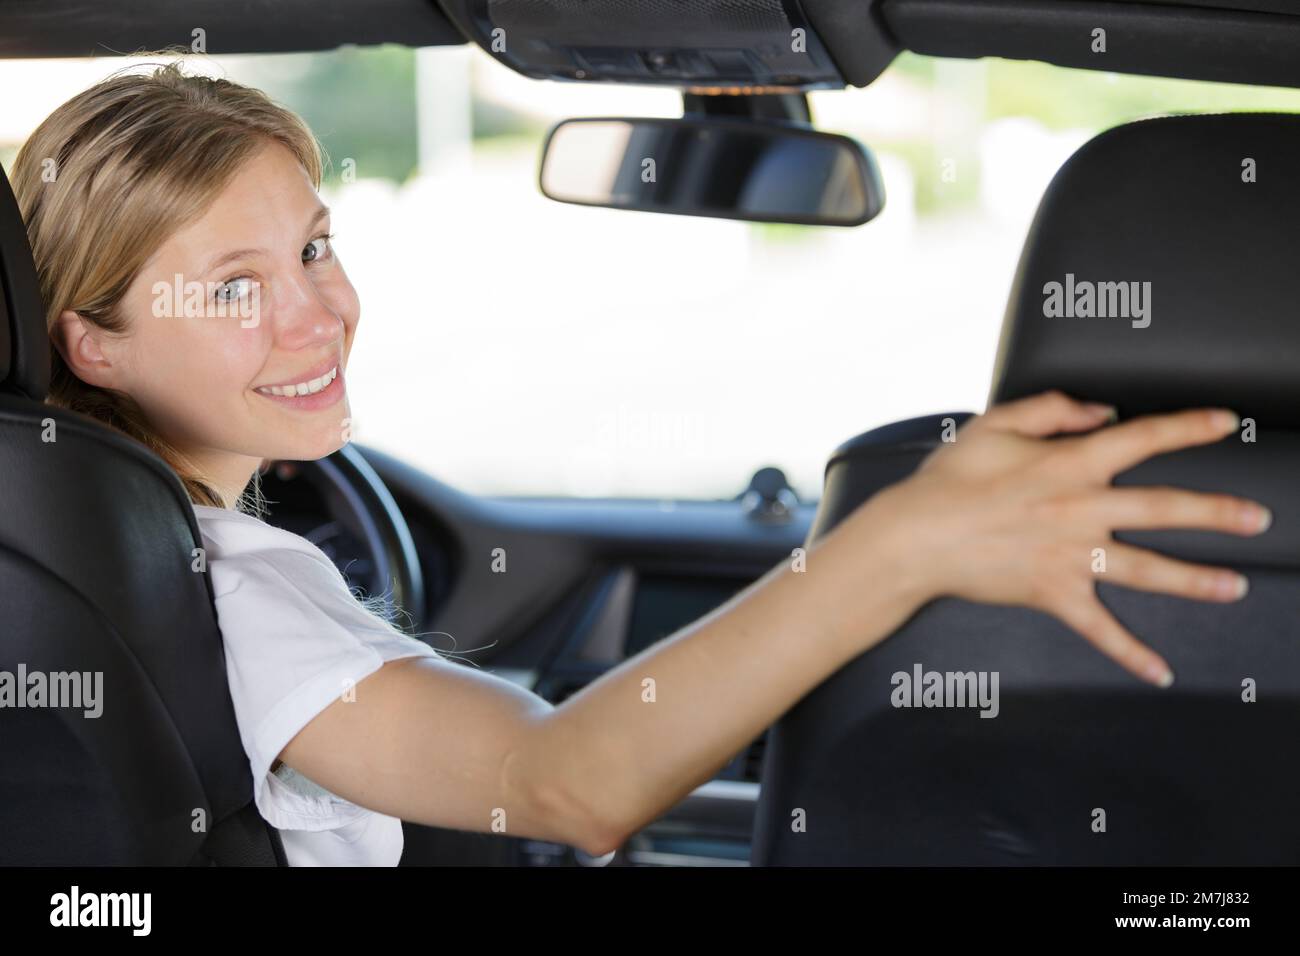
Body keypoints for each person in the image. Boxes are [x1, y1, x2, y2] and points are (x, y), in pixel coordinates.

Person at [10, 60, 1271, 865]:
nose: (318, 315)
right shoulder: (229, 588)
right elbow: (561, 784)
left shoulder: (108, 554)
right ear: (94, 344)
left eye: (314, 247)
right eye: (234, 288)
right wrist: (897, 543)